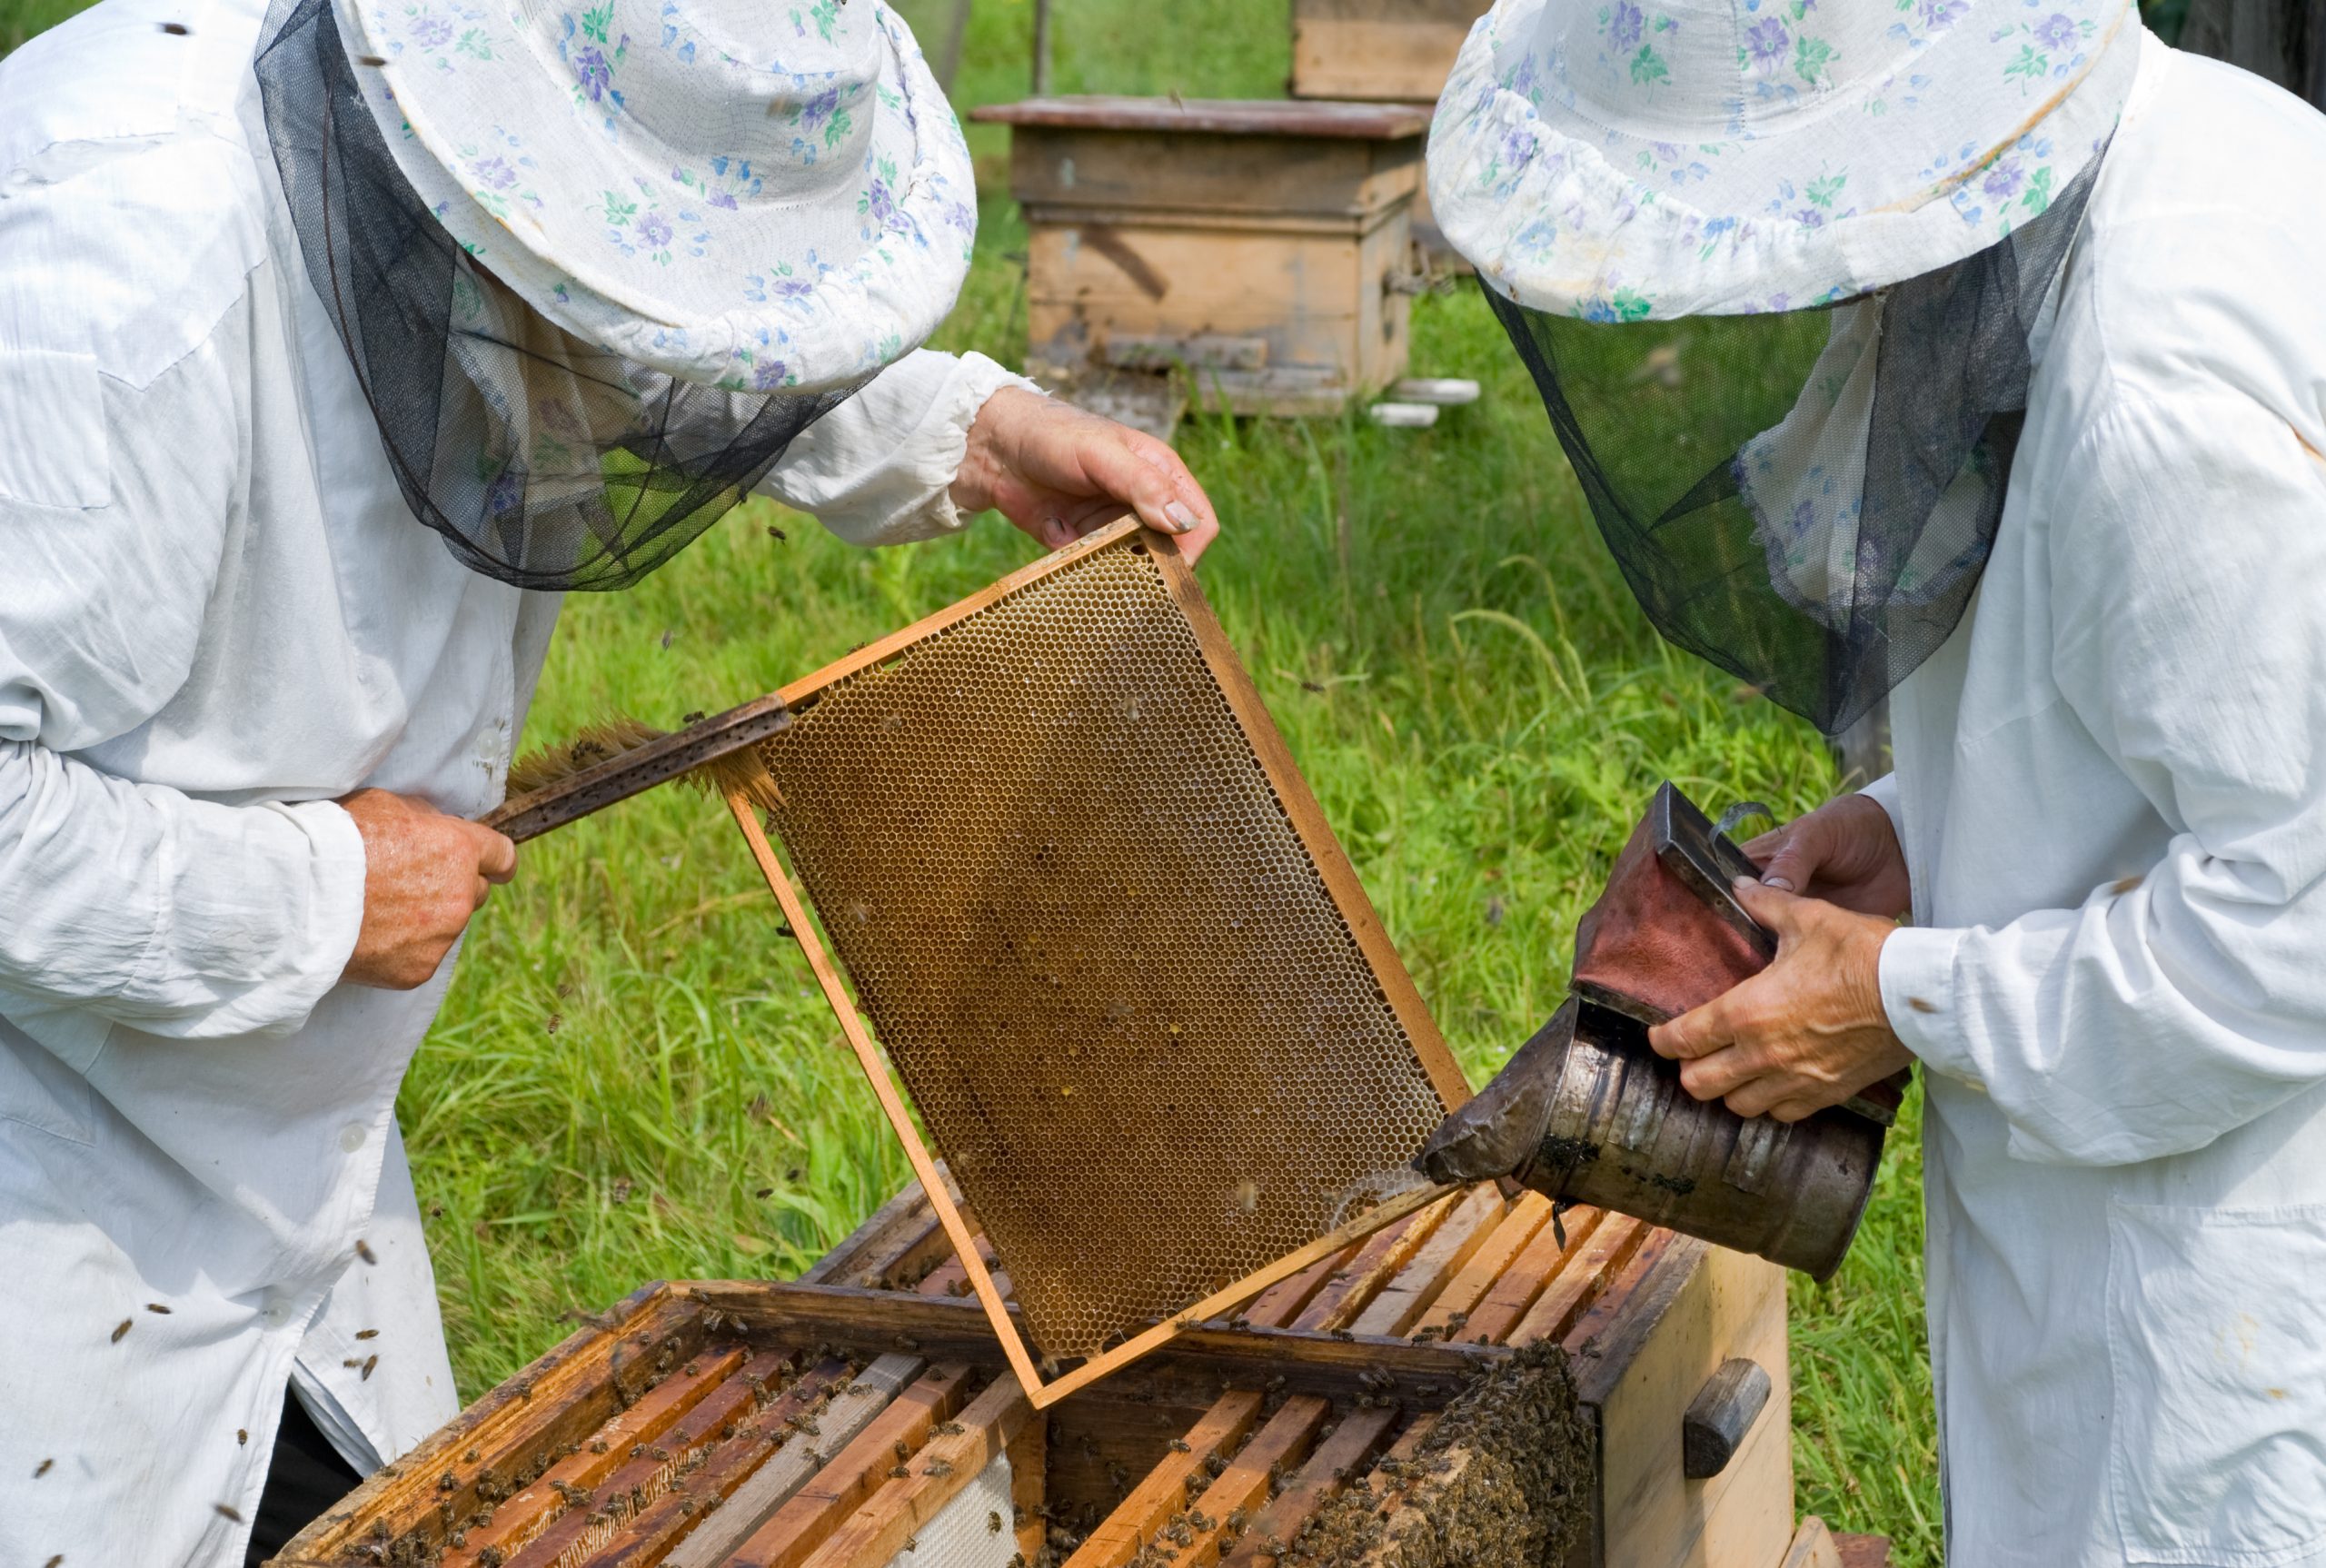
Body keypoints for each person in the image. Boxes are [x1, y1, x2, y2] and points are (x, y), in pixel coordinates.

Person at [0, 0, 1218, 1558]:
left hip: (292, 1166)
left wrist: (965, 428)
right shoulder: (111, 265)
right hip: (54, 1175)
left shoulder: (486, 188)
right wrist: (316, 893)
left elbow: (658, 327)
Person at [1428, 0, 2326, 1561]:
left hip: (2239, 1284)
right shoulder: (2161, 158)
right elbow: (2168, 713)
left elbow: (2297, 926)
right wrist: (1924, 832)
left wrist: (1902, 995)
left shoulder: (2158, 397)